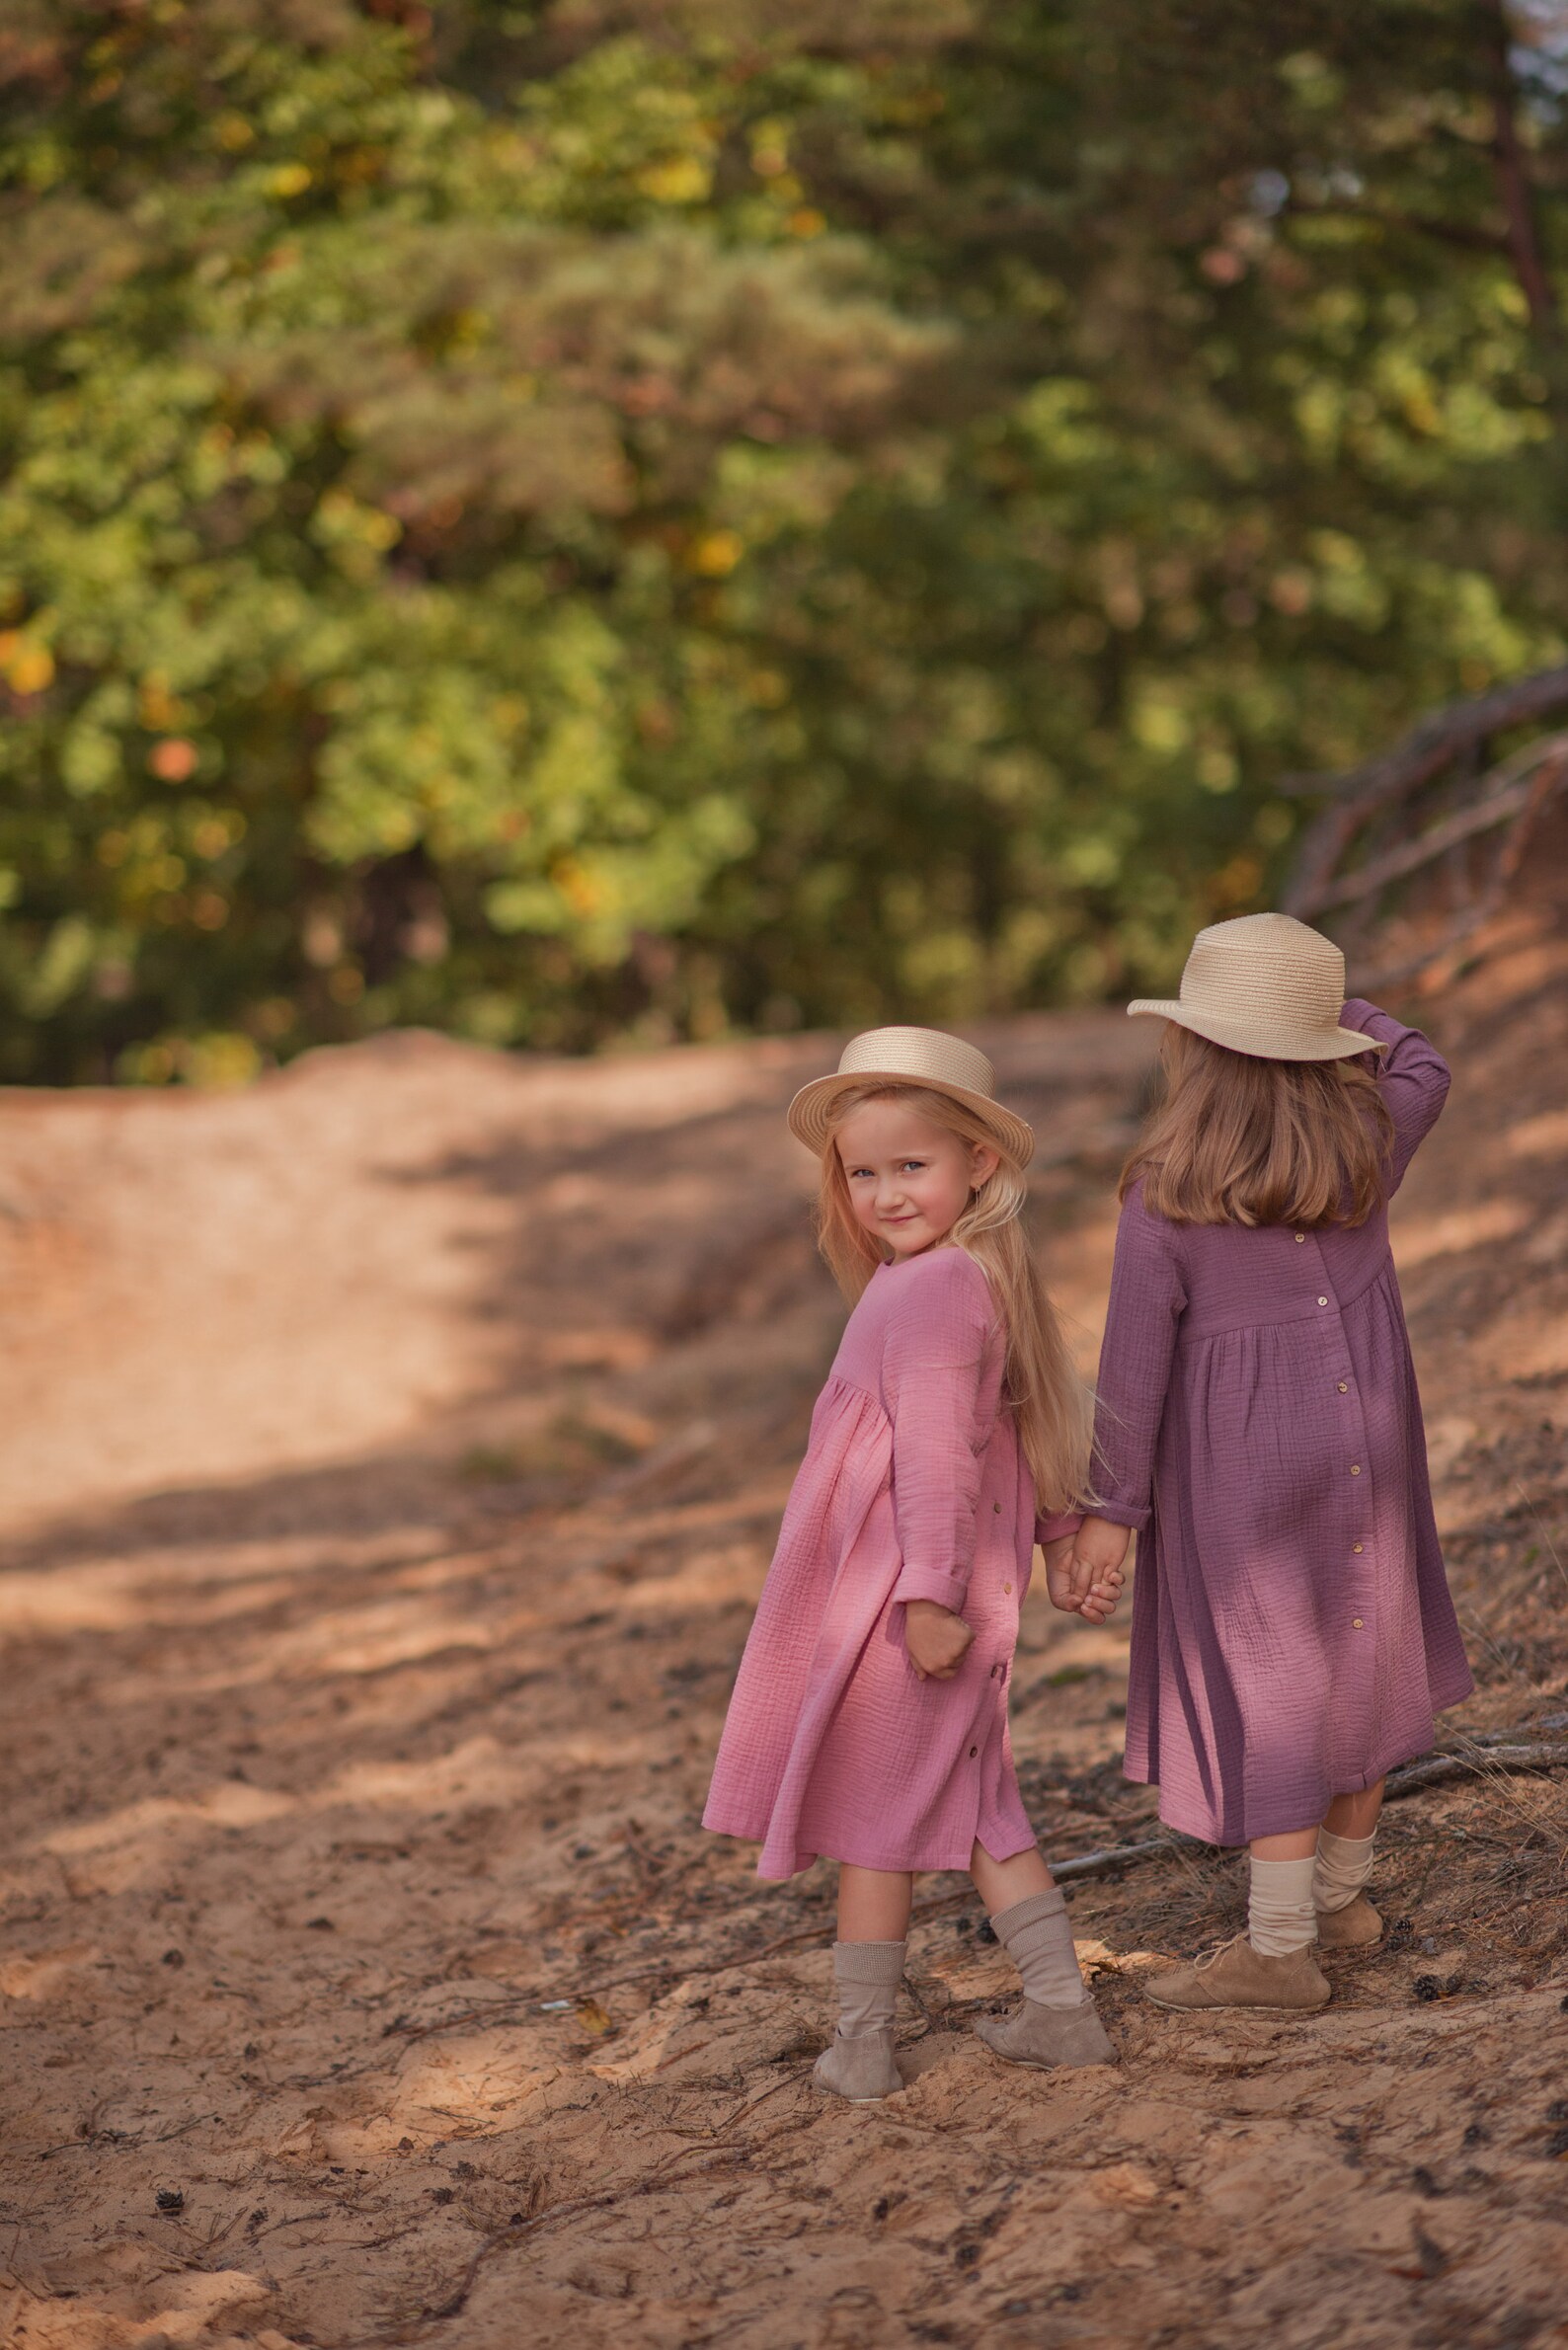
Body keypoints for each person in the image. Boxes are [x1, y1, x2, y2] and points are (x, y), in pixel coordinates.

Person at [703, 1026, 1123, 2100]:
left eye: (912, 1166)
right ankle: (1061, 2013)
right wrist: (1056, 1529)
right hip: (935, 1582)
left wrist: (930, 1595)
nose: (885, 1192)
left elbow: (943, 1457)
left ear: (978, 1163)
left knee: (877, 1819)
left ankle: (860, 2043)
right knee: (982, 1806)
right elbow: (1011, 1434)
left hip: (912, 1596)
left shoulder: (934, 1288)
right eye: (863, 1172)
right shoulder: (959, 1274)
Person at [1068, 913, 1473, 2012]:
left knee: (1276, 1689)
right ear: (1317, 1055)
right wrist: (1336, 1017)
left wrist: (1110, 1509)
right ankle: (1341, 1894)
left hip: (1239, 1479)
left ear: (1192, 1049)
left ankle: (1280, 1947)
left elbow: (1132, 1371)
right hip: (1364, 1449)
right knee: (1362, 1649)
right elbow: (1423, 1060)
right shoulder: (1365, 1143)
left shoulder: (1165, 1194)